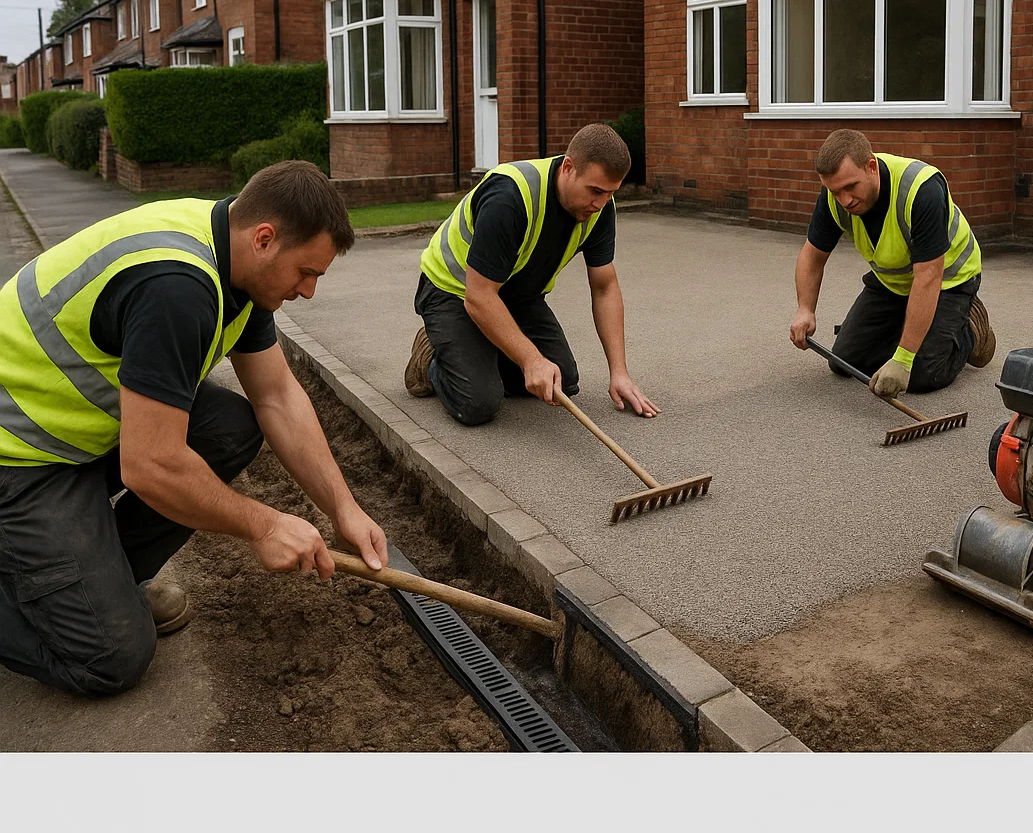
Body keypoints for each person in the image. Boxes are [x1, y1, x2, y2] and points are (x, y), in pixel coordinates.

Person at [0, 161, 388, 696]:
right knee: (112, 657)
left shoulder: (232, 255)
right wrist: (265, 526)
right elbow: (149, 465)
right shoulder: (176, 287)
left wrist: (344, 508)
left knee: (229, 427)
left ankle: (97, 583)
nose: (309, 291)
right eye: (307, 272)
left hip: (78, 431)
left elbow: (277, 397)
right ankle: (62, 599)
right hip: (20, 455)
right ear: (265, 239)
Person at [405, 123, 657, 423]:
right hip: (454, 292)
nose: (601, 203)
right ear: (568, 167)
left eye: (610, 193)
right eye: (595, 191)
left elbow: (604, 286)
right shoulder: (509, 196)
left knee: (560, 380)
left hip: (514, 294)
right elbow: (478, 297)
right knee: (477, 402)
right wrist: (530, 359)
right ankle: (432, 356)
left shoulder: (600, 207)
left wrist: (619, 373)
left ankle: (478, 346)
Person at [789, 129, 995, 397]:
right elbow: (812, 255)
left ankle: (971, 331)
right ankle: (915, 329)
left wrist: (905, 358)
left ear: (871, 166)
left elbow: (928, 276)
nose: (845, 200)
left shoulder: (922, 189)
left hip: (948, 280)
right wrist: (805, 309)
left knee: (920, 375)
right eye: (835, 191)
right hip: (893, 283)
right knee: (844, 362)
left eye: (851, 187)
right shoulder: (835, 197)